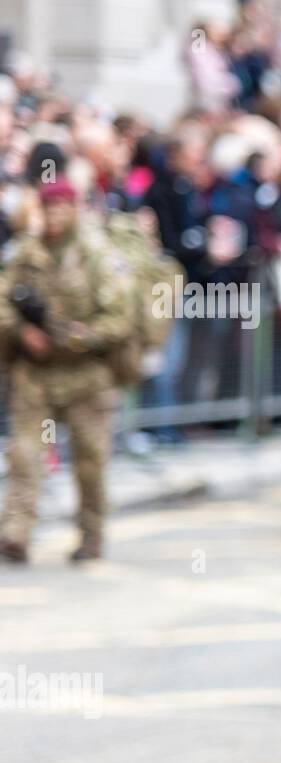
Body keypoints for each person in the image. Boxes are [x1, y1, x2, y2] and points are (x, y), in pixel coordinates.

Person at [0, 180, 133, 563]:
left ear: (74, 209)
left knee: (90, 460)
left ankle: (91, 534)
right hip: (36, 373)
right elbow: (4, 300)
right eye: (49, 207)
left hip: (85, 375)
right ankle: (16, 533)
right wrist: (23, 332)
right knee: (25, 454)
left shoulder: (96, 254)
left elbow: (119, 317)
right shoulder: (27, 254)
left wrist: (81, 337)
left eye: (62, 207)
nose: (55, 215)